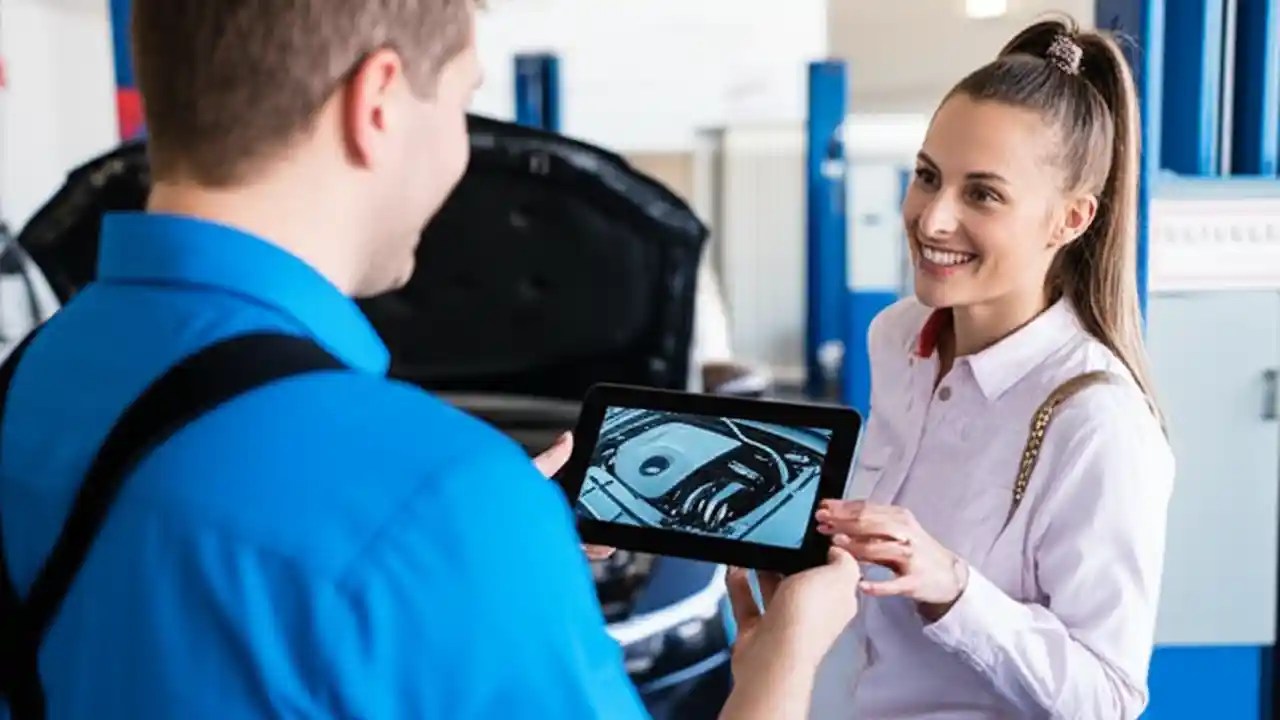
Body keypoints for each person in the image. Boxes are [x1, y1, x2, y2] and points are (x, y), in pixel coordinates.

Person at [0, 1, 861, 718]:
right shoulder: (441, 496)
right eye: (460, 101)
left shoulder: (34, 374)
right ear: (377, 101)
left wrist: (470, 550)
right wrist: (780, 663)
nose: (460, 151)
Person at [809, 16, 1175, 719]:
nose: (932, 218)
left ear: (1069, 220)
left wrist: (952, 584)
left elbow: (1109, 698)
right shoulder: (899, 338)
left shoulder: (1099, 422)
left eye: (982, 194)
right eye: (927, 177)